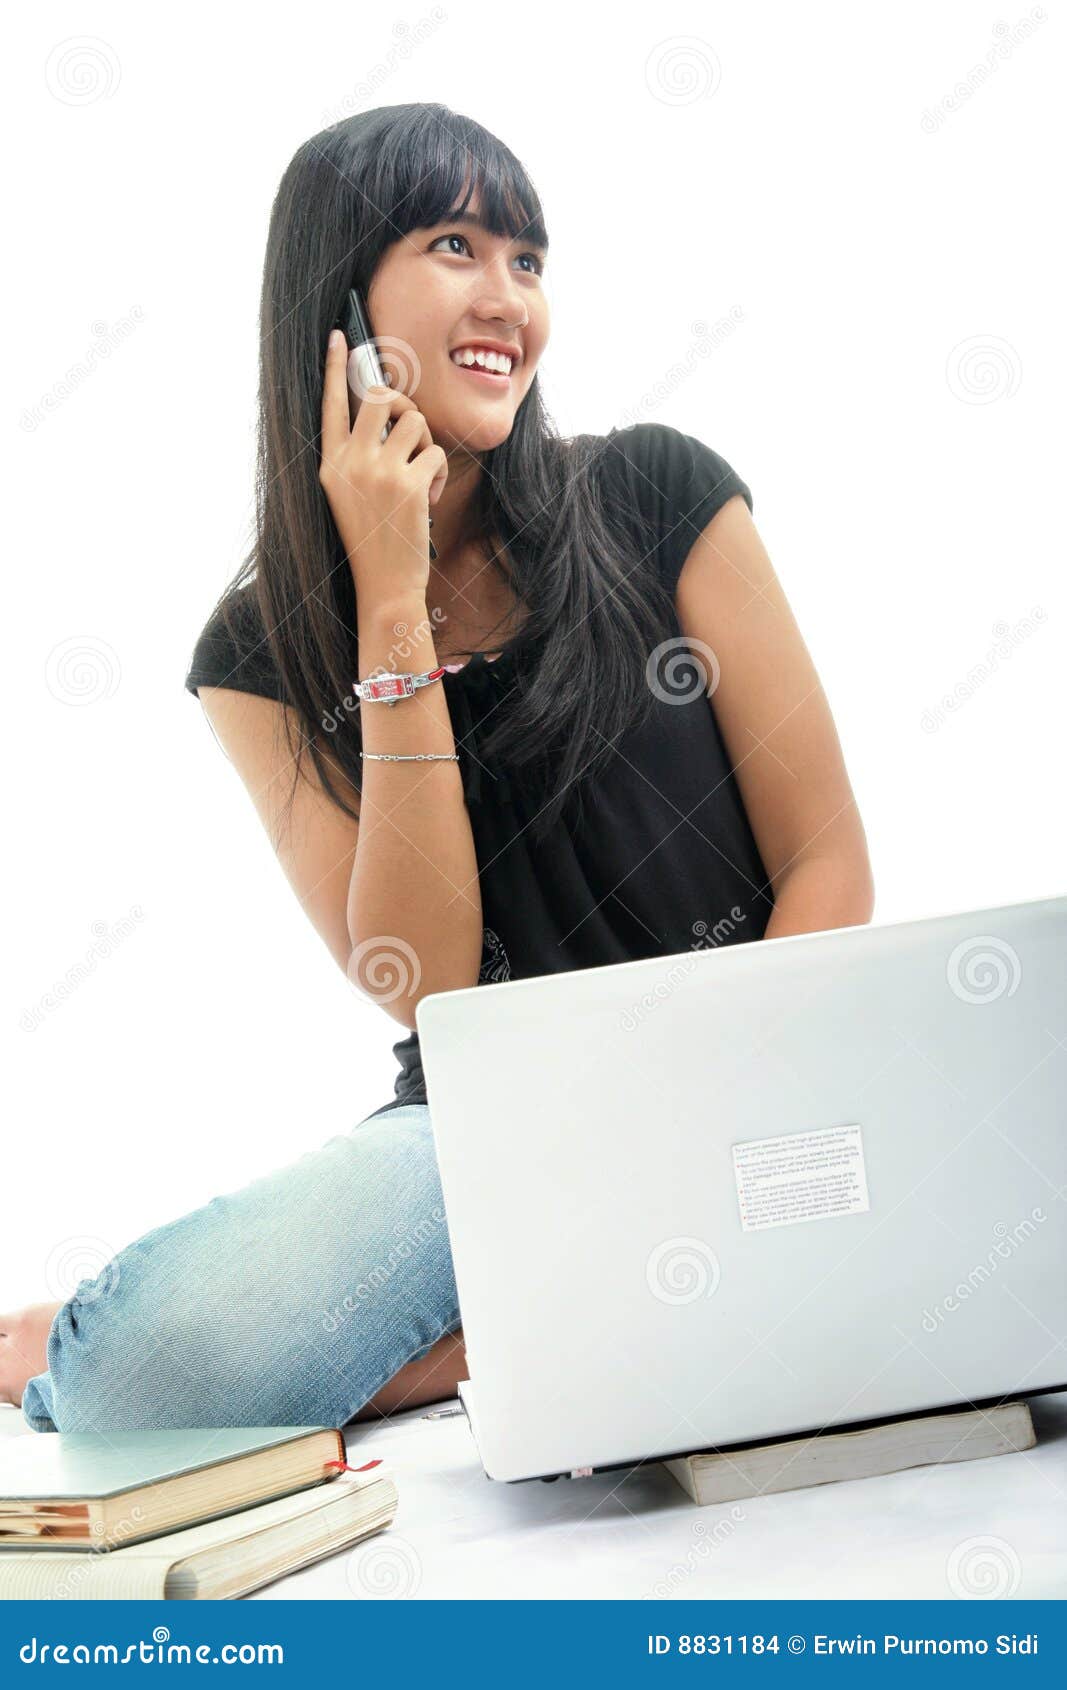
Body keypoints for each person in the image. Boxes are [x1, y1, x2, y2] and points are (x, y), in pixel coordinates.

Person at [3, 103, 873, 1432]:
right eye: (456, 245)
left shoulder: (656, 495)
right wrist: (389, 605)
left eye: (529, 259)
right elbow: (428, 975)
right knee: (135, 1375)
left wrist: (714, 1109)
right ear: (340, 301)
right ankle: (556, 1313)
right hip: (491, 1131)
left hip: (753, 1078)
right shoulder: (258, 651)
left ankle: (499, 1330)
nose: (507, 298)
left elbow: (827, 861)